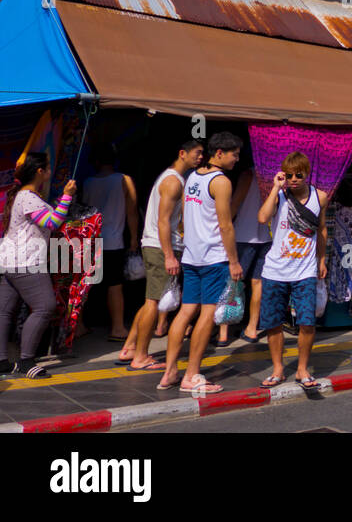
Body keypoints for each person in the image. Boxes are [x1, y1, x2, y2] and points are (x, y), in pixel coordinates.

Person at [156, 133, 243, 394]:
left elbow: (182, 217)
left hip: (192, 257)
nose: (237, 159)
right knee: (207, 314)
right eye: (234, 154)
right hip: (214, 258)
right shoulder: (221, 182)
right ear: (219, 153)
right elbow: (226, 225)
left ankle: (169, 371)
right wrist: (234, 261)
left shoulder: (192, 177)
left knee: (184, 312)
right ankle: (191, 374)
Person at [118, 139, 203, 369]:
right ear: (182, 153)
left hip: (156, 245)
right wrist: (169, 255)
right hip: (160, 246)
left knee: (150, 300)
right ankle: (140, 357)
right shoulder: (173, 181)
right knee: (153, 303)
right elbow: (163, 221)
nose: (200, 157)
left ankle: (130, 347)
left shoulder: (173, 178)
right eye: (197, 153)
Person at [0, 154, 77, 378]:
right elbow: (52, 222)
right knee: (45, 306)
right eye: (49, 167)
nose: (51, 170)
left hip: (9, 261)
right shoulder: (28, 198)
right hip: (26, 261)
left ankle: (2, 362)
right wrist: (66, 197)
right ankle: (26, 362)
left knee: (4, 312)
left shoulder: (22, 196)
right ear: (40, 172)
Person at [257, 153, 328, 390]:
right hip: (275, 270)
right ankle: (278, 370)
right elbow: (263, 217)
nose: (294, 179)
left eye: (299, 174)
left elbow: (322, 229)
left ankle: (301, 369)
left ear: (307, 173)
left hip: (304, 270)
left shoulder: (320, 197)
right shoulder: (279, 195)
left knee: (307, 321)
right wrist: (275, 188)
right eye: (289, 175)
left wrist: (321, 259)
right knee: (273, 323)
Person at [80, 150, 138, 341]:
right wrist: (134, 238)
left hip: (90, 239)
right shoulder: (124, 179)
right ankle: (118, 328)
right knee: (114, 285)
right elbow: (132, 211)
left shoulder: (87, 182)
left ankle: (79, 325)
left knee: (86, 284)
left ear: (96, 162)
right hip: (113, 240)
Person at [217, 168, 266, 346]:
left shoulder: (248, 174)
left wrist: (220, 228)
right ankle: (252, 328)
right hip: (267, 237)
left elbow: (235, 204)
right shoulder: (275, 176)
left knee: (233, 282)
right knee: (257, 283)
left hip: (243, 235)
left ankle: (223, 332)